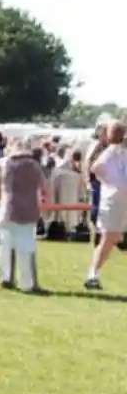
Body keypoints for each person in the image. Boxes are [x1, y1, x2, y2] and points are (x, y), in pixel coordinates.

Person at [0, 140, 47, 293]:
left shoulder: (1, 164)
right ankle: (29, 283)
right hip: (29, 210)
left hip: (7, 209)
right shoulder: (34, 166)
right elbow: (44, 188)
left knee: (5, 246)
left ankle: (6, 278)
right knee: (26, 248)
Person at [85, 121, 127, 290]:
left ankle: (93, 274)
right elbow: (96, 168)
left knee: (112, 238)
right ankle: (93, 274)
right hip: (114, 200)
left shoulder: (117, 152)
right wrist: (112, 181)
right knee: (110, 237)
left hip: (117, 199)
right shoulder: (112, 152)